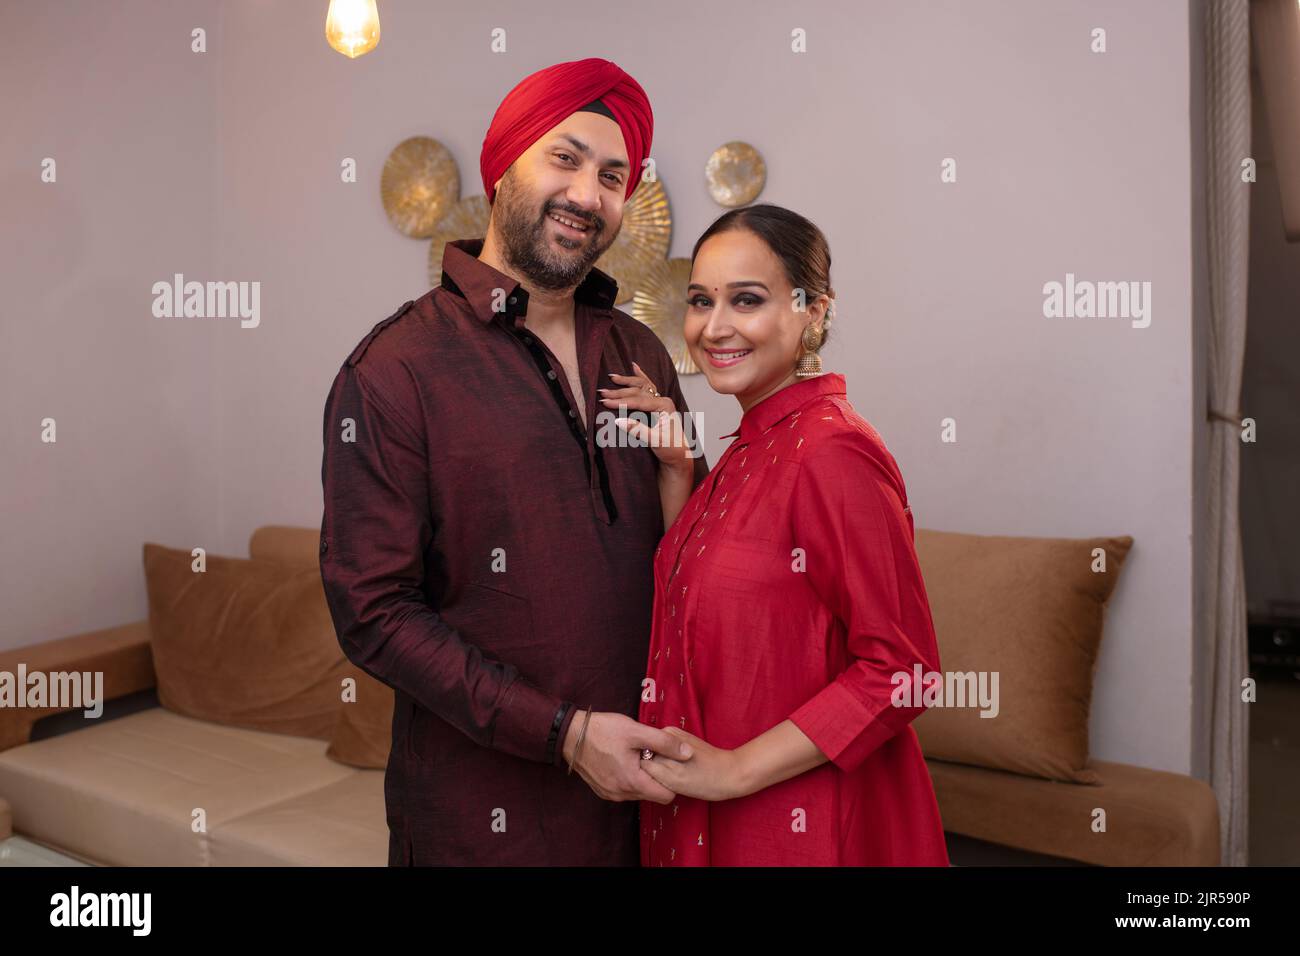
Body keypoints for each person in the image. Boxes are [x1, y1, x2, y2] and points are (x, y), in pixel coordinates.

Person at [318, 58, 707, 866]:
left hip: (644, 807)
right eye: (563, 159)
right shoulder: (396, 369)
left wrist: (682, 475)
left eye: (611, 176)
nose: (588, 195)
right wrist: (566, 737)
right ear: (503, 170)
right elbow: (375, 614)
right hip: (479, 821)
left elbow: (687, 566)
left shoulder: (641, 354)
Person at [616, 203, 950, 866]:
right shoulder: (752, 444)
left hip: (801, 826)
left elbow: (903, 670)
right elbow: (711, 601)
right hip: (714, 817)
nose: (714, 327)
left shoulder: (832, 452)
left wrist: (735, 771)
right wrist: (680, 468)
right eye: (701, 300)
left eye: (746, 300)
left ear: (814, 311)